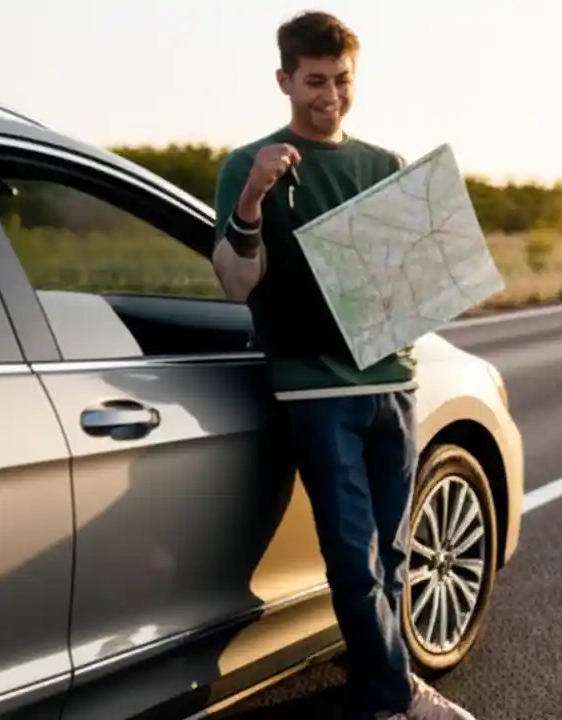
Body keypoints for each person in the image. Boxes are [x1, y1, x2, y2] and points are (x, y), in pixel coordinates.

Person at [211, 10, 476, 720]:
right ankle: (396, 700)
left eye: (342, 81)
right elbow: (236, 284)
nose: (330, 95)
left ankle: (378, 688)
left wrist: (444, 271)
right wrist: (253, 199)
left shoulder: (384, 166)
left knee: (390, 558)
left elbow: (412, 285)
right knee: (352, 557)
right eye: (315, 81)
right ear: (284, 80)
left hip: (393, 382)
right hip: (314, 390)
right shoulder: (250, 163)